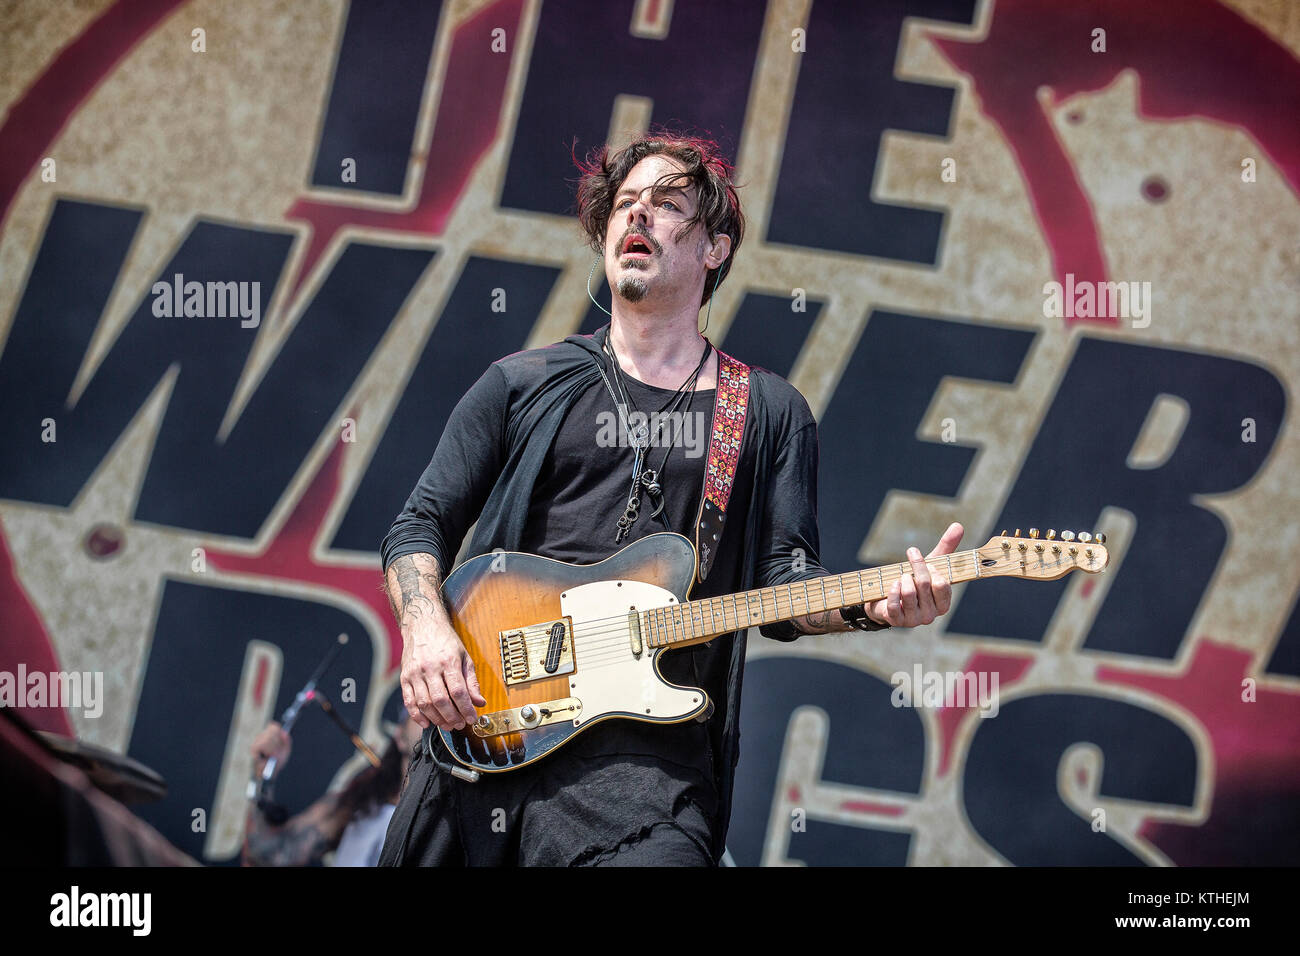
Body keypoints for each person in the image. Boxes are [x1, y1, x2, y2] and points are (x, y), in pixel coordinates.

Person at [377, 130, 963, 866]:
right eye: (624, 204)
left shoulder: (766, 412)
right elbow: (419, 523)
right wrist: (427, 630)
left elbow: (786, 585)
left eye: (666, 203)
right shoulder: (521, 382)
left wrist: (874, 604)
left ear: (714, 248)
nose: (637, 217)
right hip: (487, 732)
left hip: (642, 773)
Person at [242, 716, 420, 866]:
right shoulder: (362, 802)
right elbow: (268, 855)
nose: (433, 711)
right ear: (400, 736)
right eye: (418, 710)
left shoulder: (446, 815)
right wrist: (263, 772)